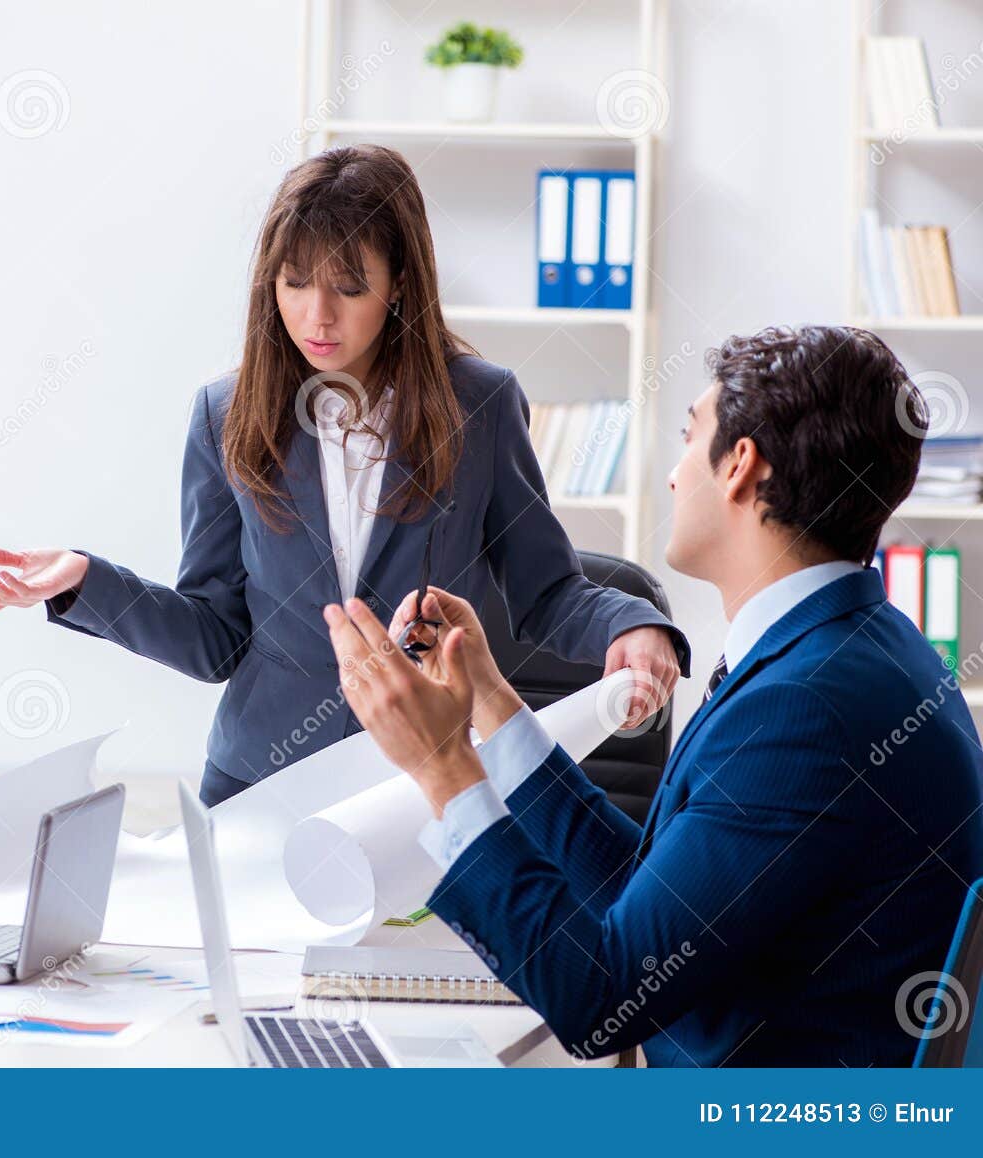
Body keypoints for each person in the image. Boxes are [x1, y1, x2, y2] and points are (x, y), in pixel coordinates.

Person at [326, 324, 983, 1066]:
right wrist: (489, 698)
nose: (673, 475)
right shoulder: (859, 649)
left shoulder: (808, 707)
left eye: (688, 437)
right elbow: (648, 899)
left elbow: (600, 999)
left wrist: (443, 766)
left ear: (740, 466)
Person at [0, 144, 688, 805]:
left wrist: (634, 622)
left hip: (420, 785)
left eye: (348, 286)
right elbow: (215, 636)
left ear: (398, 285)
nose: (317, 315)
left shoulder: (481, 405)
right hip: (258, 785)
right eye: (295, 282)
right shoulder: (225, 413)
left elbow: (546, 591)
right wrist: (86, 581)